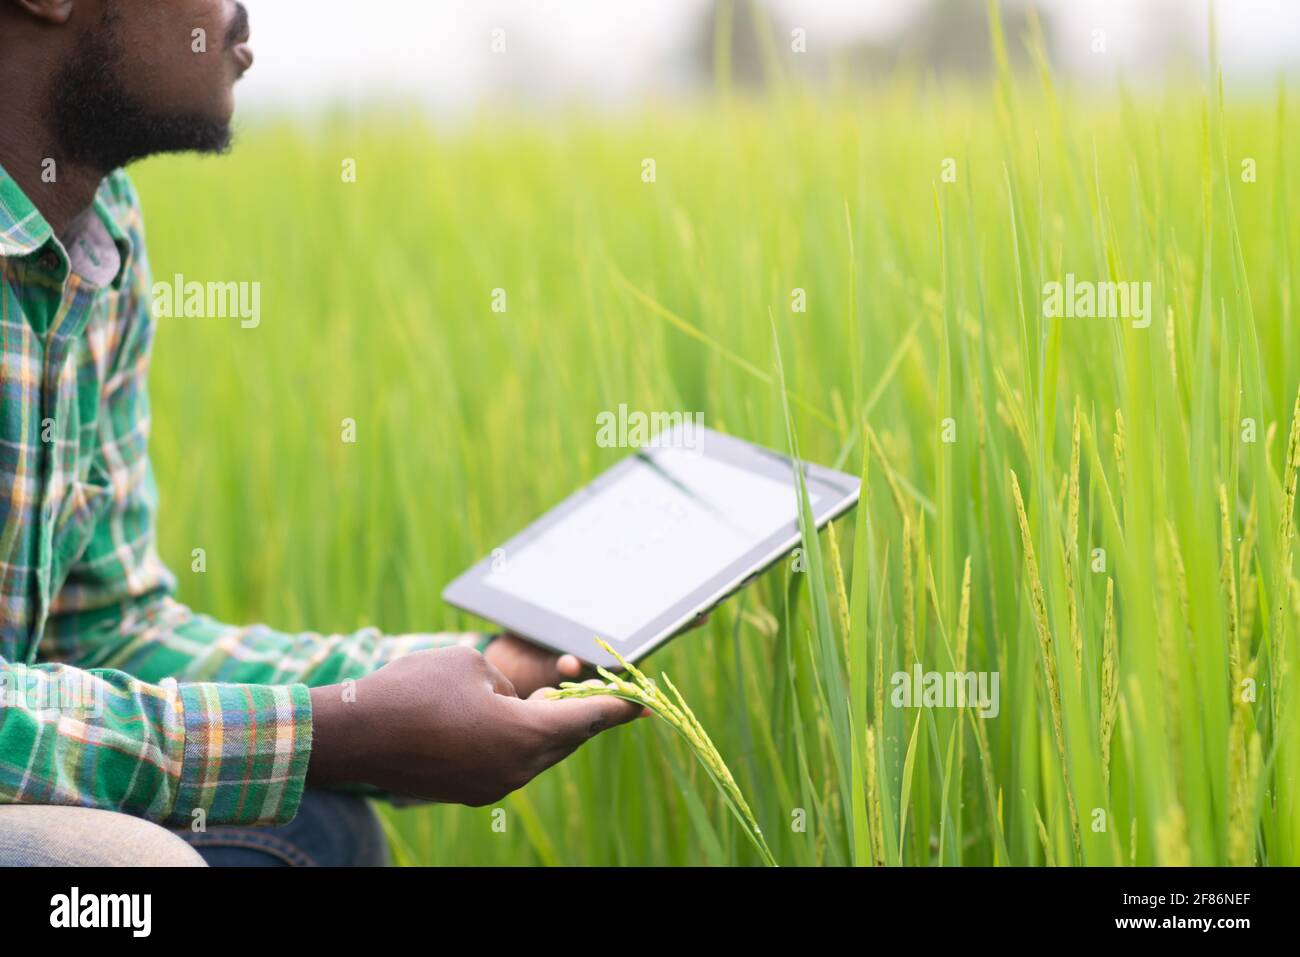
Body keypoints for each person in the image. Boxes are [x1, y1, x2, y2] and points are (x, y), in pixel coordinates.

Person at [0, 0, 645, 866]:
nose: (239, 13)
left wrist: (480, 663)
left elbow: (106, 632)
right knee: (124, 869)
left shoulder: (97, 231)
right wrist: (328, 731)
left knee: (317, 834)